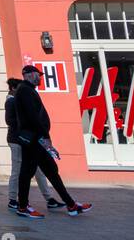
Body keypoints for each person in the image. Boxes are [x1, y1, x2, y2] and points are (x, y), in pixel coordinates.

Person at [13, 65, 92, 219]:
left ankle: (71, 204)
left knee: (51, 170)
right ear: (28, 75)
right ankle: (22, 206)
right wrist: (45, 135)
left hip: (37, 139)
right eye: (38, 74)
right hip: (33, 140)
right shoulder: (25, 90)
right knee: (26, 172)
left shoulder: (28, 90)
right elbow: (32, 116)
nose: (40, 77)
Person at [5, 78, 63, 212]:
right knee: (18, 170)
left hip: (30, 140)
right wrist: (25, 127)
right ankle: (13, 200)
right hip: (17, 141)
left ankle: (49, 199)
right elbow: (10, 121)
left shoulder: (19, 100)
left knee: (39, 170)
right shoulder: (11, 101)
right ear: (14, 89)